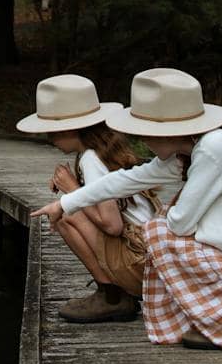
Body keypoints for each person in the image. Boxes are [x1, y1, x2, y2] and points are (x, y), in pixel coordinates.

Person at [32, 68, 222, 349]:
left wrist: (167, 212)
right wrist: (64, 203)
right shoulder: (194, 149)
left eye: (146, 133)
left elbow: (181, 223)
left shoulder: (214, 149)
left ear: (167, 132)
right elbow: (128, 179)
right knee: (163, 229)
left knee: (163, 234)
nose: (143, 142)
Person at [16, 74, 175, 323]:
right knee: (70, 211)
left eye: (52, 133)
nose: (50, 139)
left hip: (140, 260)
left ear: (69, 128)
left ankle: (111, 296)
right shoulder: (101, 150)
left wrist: (73, 192)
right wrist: (77, 188)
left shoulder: (91, 159)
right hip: (150, 254)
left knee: (66, 217)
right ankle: (113, 293)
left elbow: (113, 225)